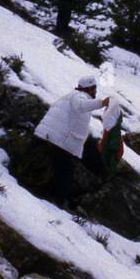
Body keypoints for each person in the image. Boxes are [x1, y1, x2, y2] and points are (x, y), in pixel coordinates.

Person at [34, 74, 110, 208]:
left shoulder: (71, 96)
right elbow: (81, 106)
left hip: (52, 136)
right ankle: (58, 204)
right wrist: (102, 103)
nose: (95, 91)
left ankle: (59, 199)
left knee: (62, 170)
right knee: (65, 173)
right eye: (94, 88)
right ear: (89, 88)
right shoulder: (79, 97)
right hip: (59, 140)